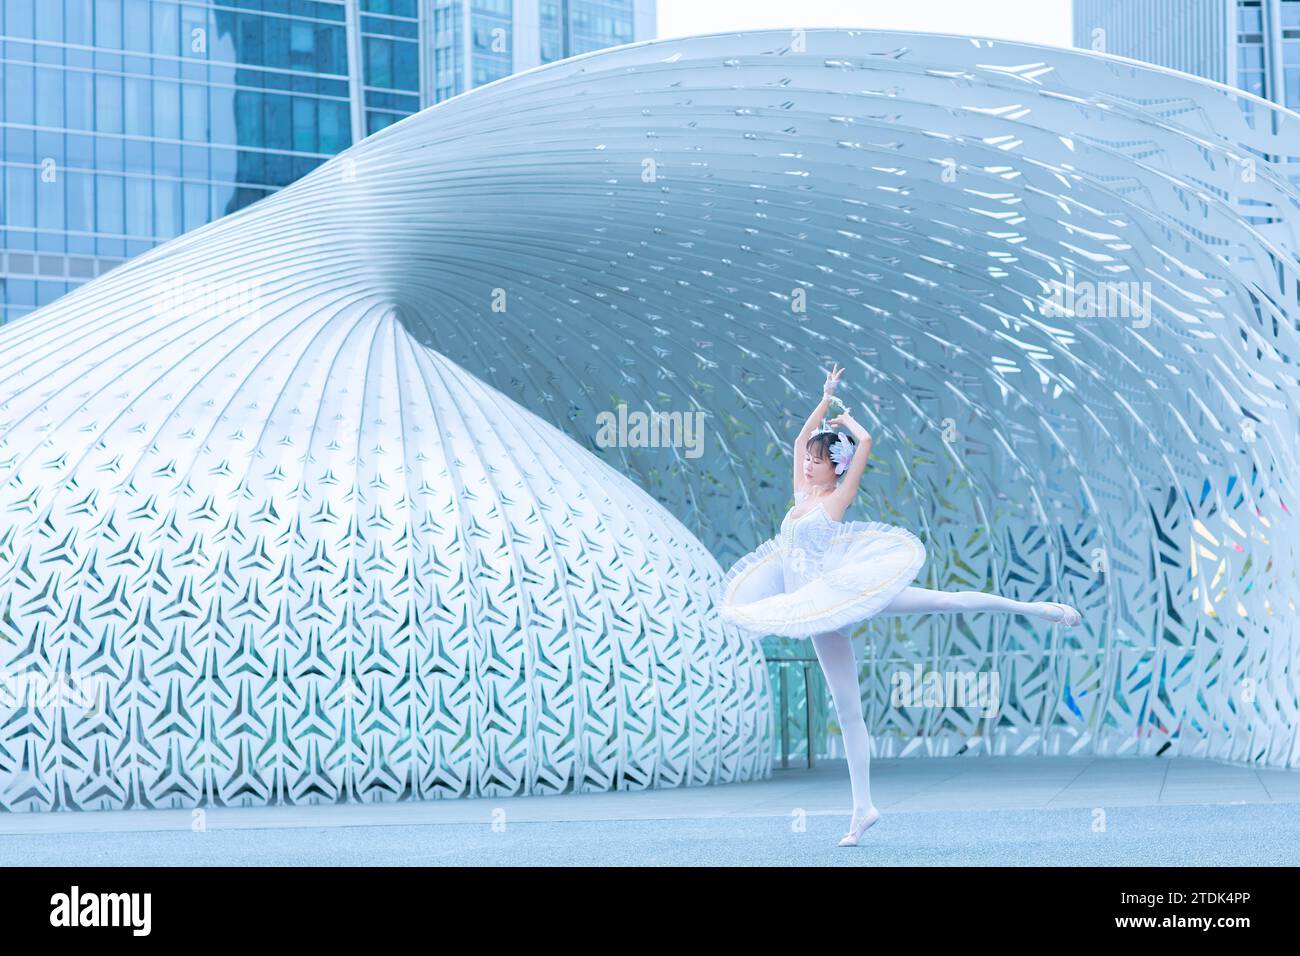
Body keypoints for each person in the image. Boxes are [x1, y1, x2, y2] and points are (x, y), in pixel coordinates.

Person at [718, 364, 1081, 846]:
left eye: (818, 461)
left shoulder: (835, 499)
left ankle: (1036, 609)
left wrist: (847, 425)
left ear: (835, 469)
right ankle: (862, 808)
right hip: (819, 612)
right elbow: (800, 439)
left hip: (849, 591)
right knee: (849, 711)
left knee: (947, 601)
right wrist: (825, 398)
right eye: (808, 459)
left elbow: (866, 445)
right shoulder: (802, 496)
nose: (807, 464)